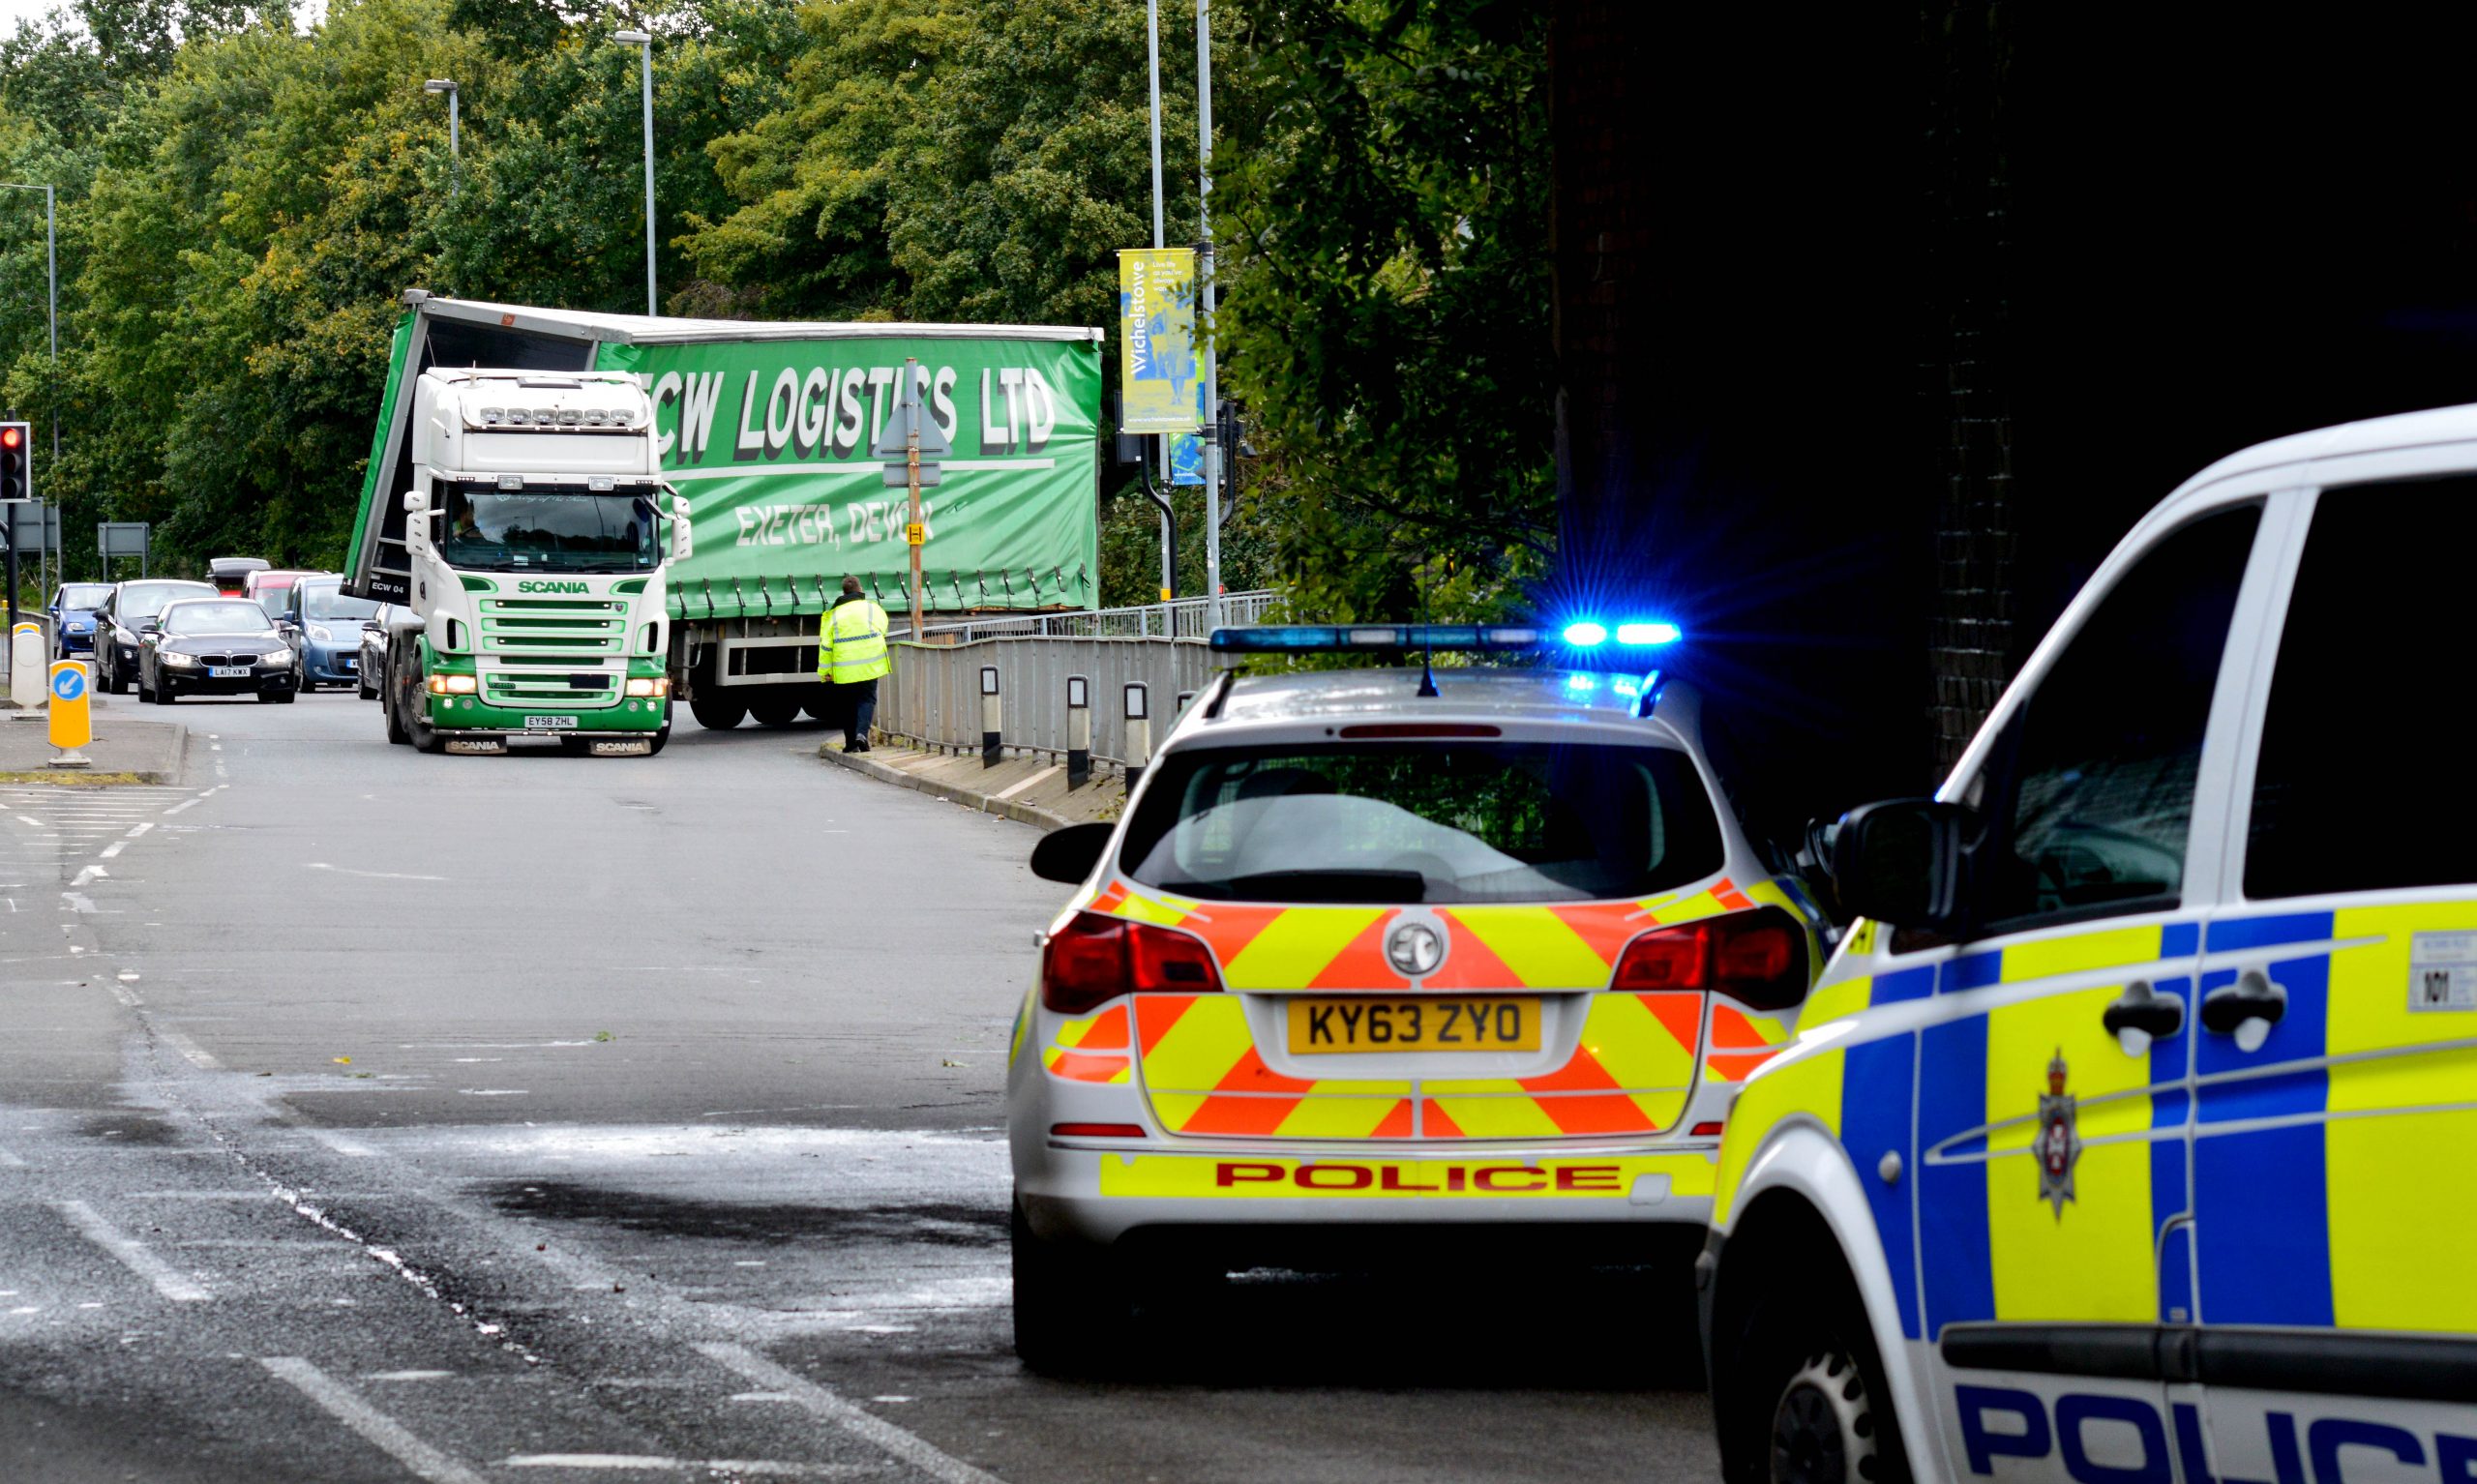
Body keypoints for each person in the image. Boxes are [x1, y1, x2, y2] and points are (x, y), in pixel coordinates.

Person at [820, 575, 890, 753]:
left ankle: (850, 743)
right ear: (860, 590)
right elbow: (883, 629)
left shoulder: (833, 615)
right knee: (866, 699)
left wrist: (826, 672)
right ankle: (862, 735)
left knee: (847, 705)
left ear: (843, 592)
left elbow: (826, 645)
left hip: (844, 669)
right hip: (869, 664)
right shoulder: (873, 608)